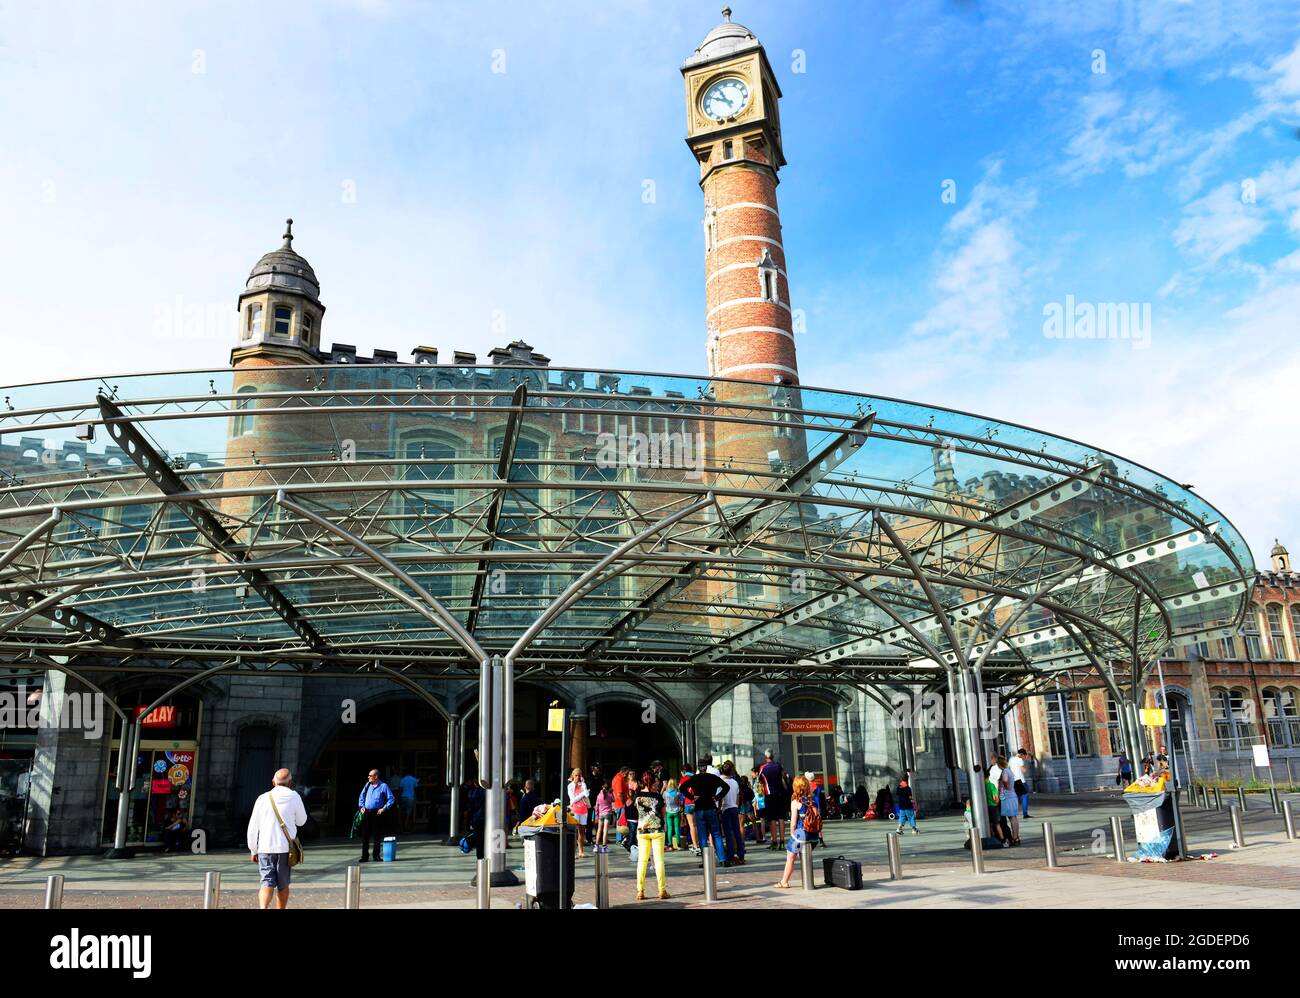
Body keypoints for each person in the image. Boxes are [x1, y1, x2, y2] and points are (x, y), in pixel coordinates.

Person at [246, 768, 308, 909]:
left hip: (265, 847)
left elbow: (253, 827)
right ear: (290, 782)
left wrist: (253, 850)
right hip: (286, 849)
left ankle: (263, 908)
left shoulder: (262, 798)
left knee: (266, 882)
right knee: (283, 884)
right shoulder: (294, 796)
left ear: (273, 782)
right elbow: (302, 821)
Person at [680, 760, 728, 867]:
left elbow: (682, 788)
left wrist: (692, 797)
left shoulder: (695, 778)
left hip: (699, 808)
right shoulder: (712, 777)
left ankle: (705, 861)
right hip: (711, 806)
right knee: (716, 834)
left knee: (702, 836)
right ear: (706, 768)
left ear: (698, 768)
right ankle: (723, 859)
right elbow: (726, 787)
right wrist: (716, 797)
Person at [632, 776, 670, 900]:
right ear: (653, 782)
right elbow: (663, 813)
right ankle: (662, 890)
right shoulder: (658, 796)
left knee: (642, 861)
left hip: (642, 830)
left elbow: (637, 813)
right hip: (657, 830)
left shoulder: (637, 797)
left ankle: (640, 891)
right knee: (659, 861)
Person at [775, 774, 813, 889]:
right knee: (805, 855)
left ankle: (784, 881)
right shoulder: (811, 800)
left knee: (790, 856)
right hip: (813, 834)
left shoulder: (796, 802)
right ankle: (808, 882)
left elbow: (793, 823)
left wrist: (792, 835)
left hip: (801, 833)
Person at [356, 769, 395, 862]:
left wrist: (384, 808)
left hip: (377, 813)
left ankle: (376, 856)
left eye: (370, 775)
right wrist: (361, 806)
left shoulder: (383, 786)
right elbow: (361, 797)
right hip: (366, 812)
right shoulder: (367, 785)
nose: (368, 777)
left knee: (376, 836)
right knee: (365, 836)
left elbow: (391, 798)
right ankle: (364, 856)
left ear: (376, 776)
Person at [758, 749, 788, 849]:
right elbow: (784, 777)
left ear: (765, 757)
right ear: (773, 756)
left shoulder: (763, 767)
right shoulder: (778, 766)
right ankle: (782, 842)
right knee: (781, 818)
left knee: (772, 819)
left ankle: (774, 842)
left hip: (769, 795)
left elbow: (760, 780)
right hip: (780, 794)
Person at [719, 760, 745, 866]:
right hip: (734, 808)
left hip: (725, 809)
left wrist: (719, 807)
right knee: (737, 832)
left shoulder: (720, 781)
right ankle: (741, 854)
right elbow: (738, 798)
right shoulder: (735, 782)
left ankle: (730, 855)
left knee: (728, 834)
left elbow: (720, 797)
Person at [567, 768, 590, 859]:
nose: (577, 777)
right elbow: (573, 799)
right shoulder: (570, 786)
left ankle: (581, 851)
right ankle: (573, 852)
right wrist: (582, 794)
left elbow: (587, 794)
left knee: (582, 831)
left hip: (583, 810)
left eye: (579, 775)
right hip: (575, 810)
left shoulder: (583, 784)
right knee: (574, 832)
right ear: (573, 776)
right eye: (576, 775)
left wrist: (583, 786)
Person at [997, 758, 1020, 845]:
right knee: (1014, 817)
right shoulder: (1009, 770)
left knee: (1011, 818)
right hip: (1012, 796)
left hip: (1007, 796)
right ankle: (1016, 837)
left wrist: (1004, 785)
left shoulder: (1004, 771)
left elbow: (1005, 780)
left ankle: (1014, 838)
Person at [1010, 748, 1032, 818]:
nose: (1024, 758)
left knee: (1017, 797)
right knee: (1025, 796)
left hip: (1013, 781)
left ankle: (1013, 813)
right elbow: (1023, 770)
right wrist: (1028, 765)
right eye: (1024, 756)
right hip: (1021, 781)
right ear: (1022, 755)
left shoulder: (1011, 759)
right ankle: (1025, 814)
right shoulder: (1019, 760)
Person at [594, 778, 615, 851]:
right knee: (605, 830)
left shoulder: (599, 795)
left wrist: (596, 815)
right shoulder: (609, 795)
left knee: (599, 830)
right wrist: (612, 792)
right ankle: (604, 847)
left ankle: (596, 846)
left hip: (600, 814)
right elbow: (613, 800)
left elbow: (596, 806)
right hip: (607, 813)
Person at [662, 777, 683, 850]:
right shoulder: (677, 793)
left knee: (670, 828)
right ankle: (678, 845)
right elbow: (680, 802)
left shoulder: (665, 793)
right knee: (677, 828)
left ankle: (670, 845)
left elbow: (663, 801)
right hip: (676, 811)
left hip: (668, 811)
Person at [611, 766, 628, 845]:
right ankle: (619, 839)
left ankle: (620, 839)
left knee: (620, 821)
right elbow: (619, 793)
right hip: (620, 803)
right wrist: (623, 802)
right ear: (624, 772)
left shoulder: (618, 777)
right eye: (627, 773)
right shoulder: (619, 779)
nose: (627, 775)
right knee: (621, 822)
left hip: (618, 803)